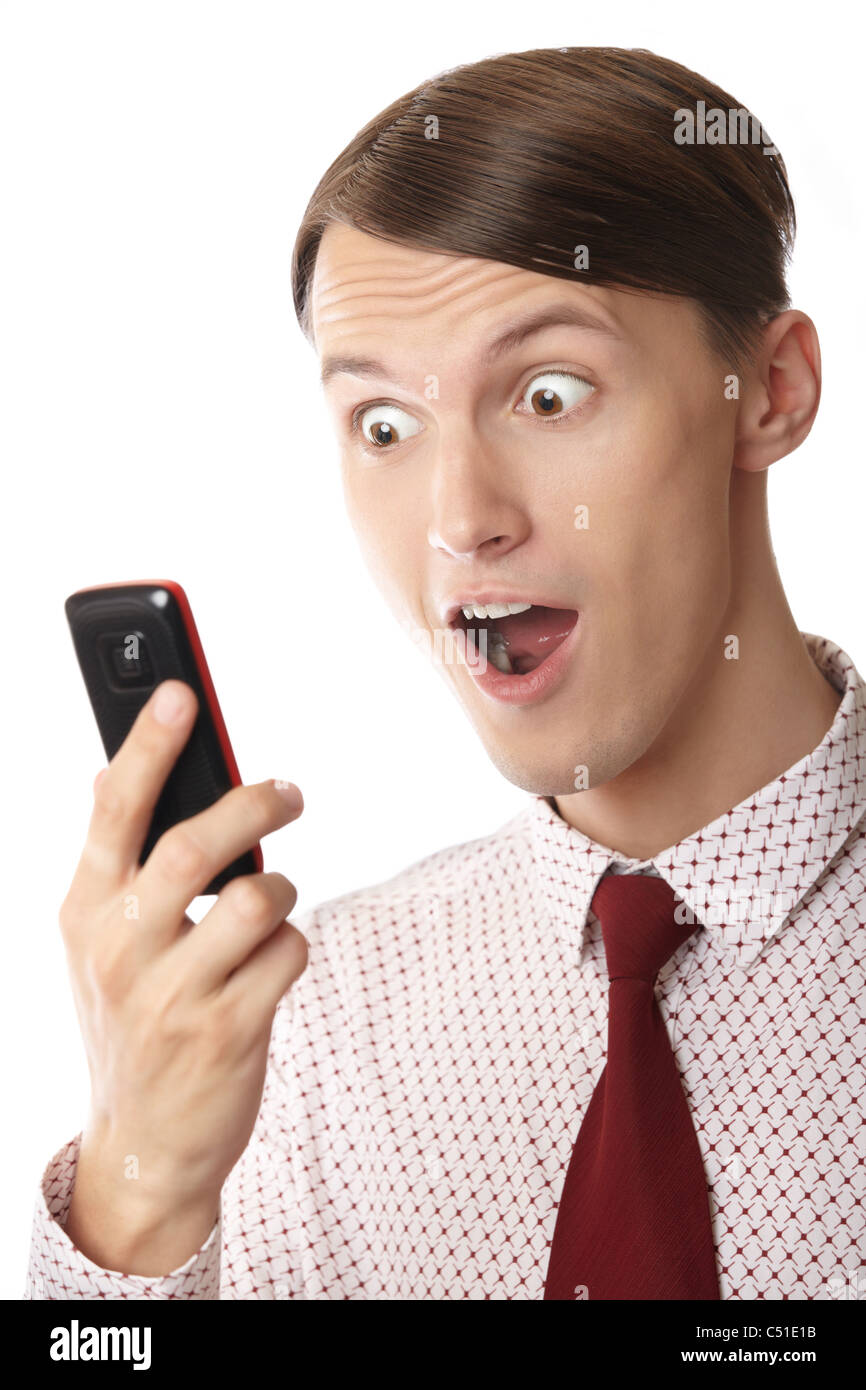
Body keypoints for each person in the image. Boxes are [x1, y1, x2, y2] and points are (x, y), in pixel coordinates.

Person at [26, 46, 865, 1300]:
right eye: (383, 428)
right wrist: (134, 1205)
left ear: (771, 390)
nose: (456, 519)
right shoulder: (300, 1037)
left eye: (545, 392)